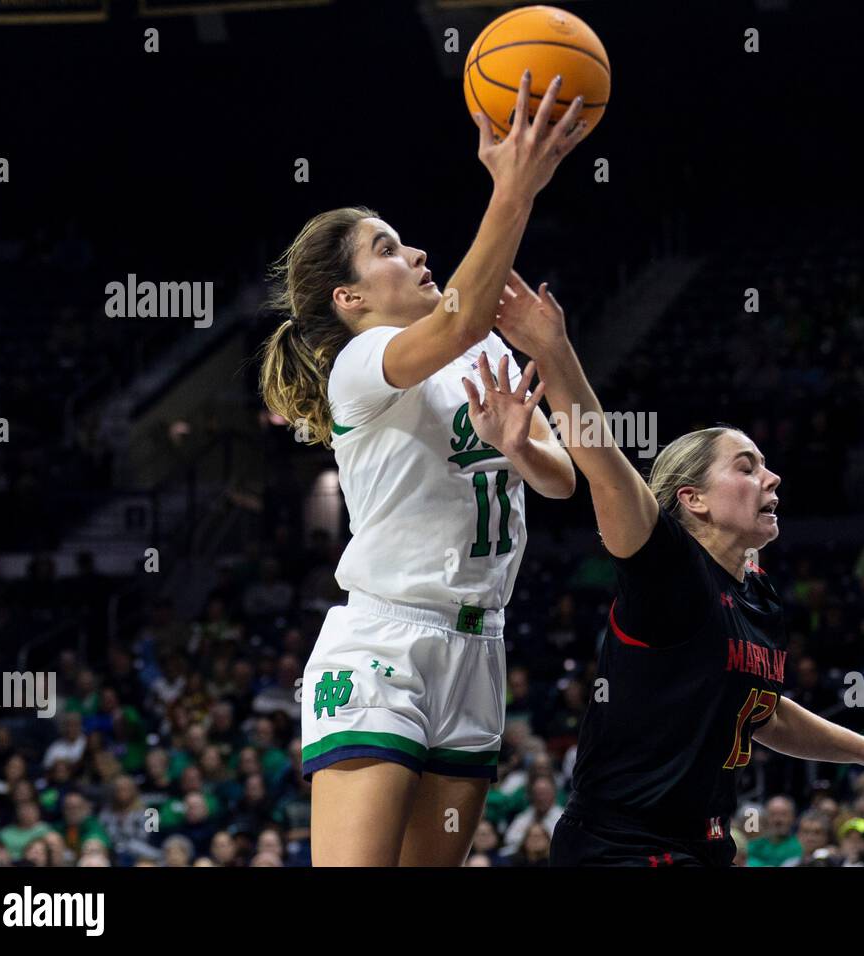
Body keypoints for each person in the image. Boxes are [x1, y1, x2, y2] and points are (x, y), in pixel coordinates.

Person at [486, 272, 864, 868]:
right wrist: (554, 351)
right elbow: (601, 461)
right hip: (620, 849)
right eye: (747, 466)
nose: (772, 477)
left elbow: (765, 711)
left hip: (703, 845)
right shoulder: (669, 568)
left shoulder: (760, 596)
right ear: (692, 498)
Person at [256, 71, 587, 866]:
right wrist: (515, 188)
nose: (415, 253)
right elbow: (462, 311)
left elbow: (561, 480)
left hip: (480, 650)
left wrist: (519, 445)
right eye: (387, 249)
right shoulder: (360, 364)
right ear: (349, 298)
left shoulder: (482, 350)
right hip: (383, 645)